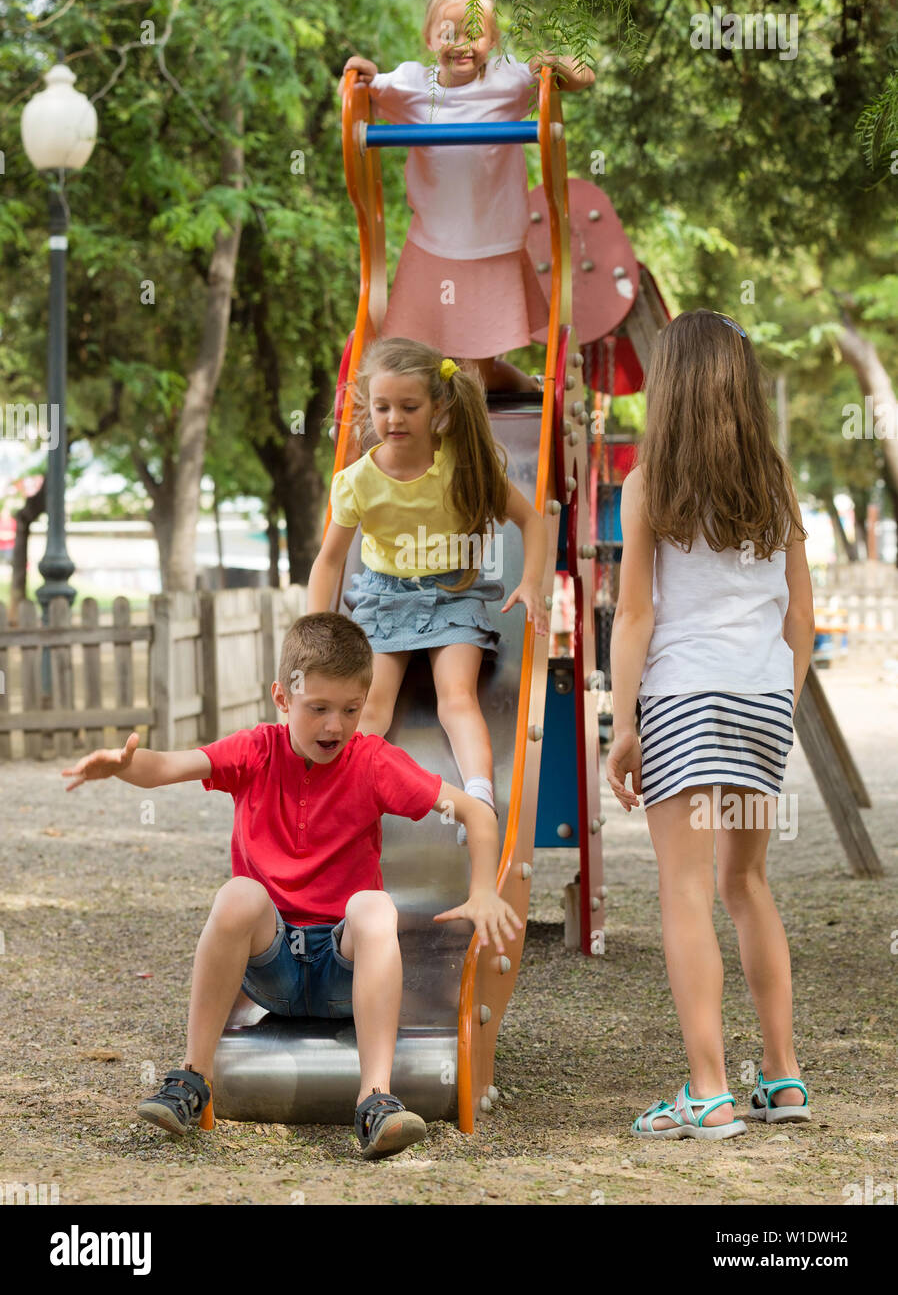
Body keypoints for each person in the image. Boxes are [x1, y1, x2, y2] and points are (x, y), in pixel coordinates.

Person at [61, 611, 520, 1159]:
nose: (335, 726)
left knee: (375, 906)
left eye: (351, 710)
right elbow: (168, 767)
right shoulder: (256, 750)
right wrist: (123, 767)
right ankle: (191, 1078)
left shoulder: (371, 761)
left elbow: (474, 811)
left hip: (341, 973)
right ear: (282, 697)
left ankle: (375, 1100)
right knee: (238, 895)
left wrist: (485, 890)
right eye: (318, 709)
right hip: (272, 967)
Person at [606, 309, 816, 1140]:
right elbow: (802, 613)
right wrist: (779, 696)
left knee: (686, 887)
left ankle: (709, 1091)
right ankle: (786, 1078)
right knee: (746, 884)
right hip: (762, 702)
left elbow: (634, 616)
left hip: (685, 698)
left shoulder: (648, 484)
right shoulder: (778, 481)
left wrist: (623, 725)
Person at [307, 337, 549, 820]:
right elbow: (330, 559)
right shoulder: (358, 480)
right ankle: (346, 802)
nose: (393, 419)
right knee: (371, 705)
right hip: (384, 599)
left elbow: (532, 521)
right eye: (382, 407)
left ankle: (479, 799)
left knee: (456, 697)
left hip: (451, 595)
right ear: (368, 408)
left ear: (437, 406)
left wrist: (534, 583)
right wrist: (317, 628)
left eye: (408, 406)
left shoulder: (463, 466)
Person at [338, 0, 595, 393]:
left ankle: (536, 397)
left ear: (492, 40)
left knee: (478, 374)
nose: (461, 43)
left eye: (474, 32)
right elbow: (358, 95)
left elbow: (585, 75)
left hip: (492, 247)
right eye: (448, 33)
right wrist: (356, 69)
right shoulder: (412, 86)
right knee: (418, 365)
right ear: (428, 38)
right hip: (431, 246)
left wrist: (553, 64)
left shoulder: (508, 80)